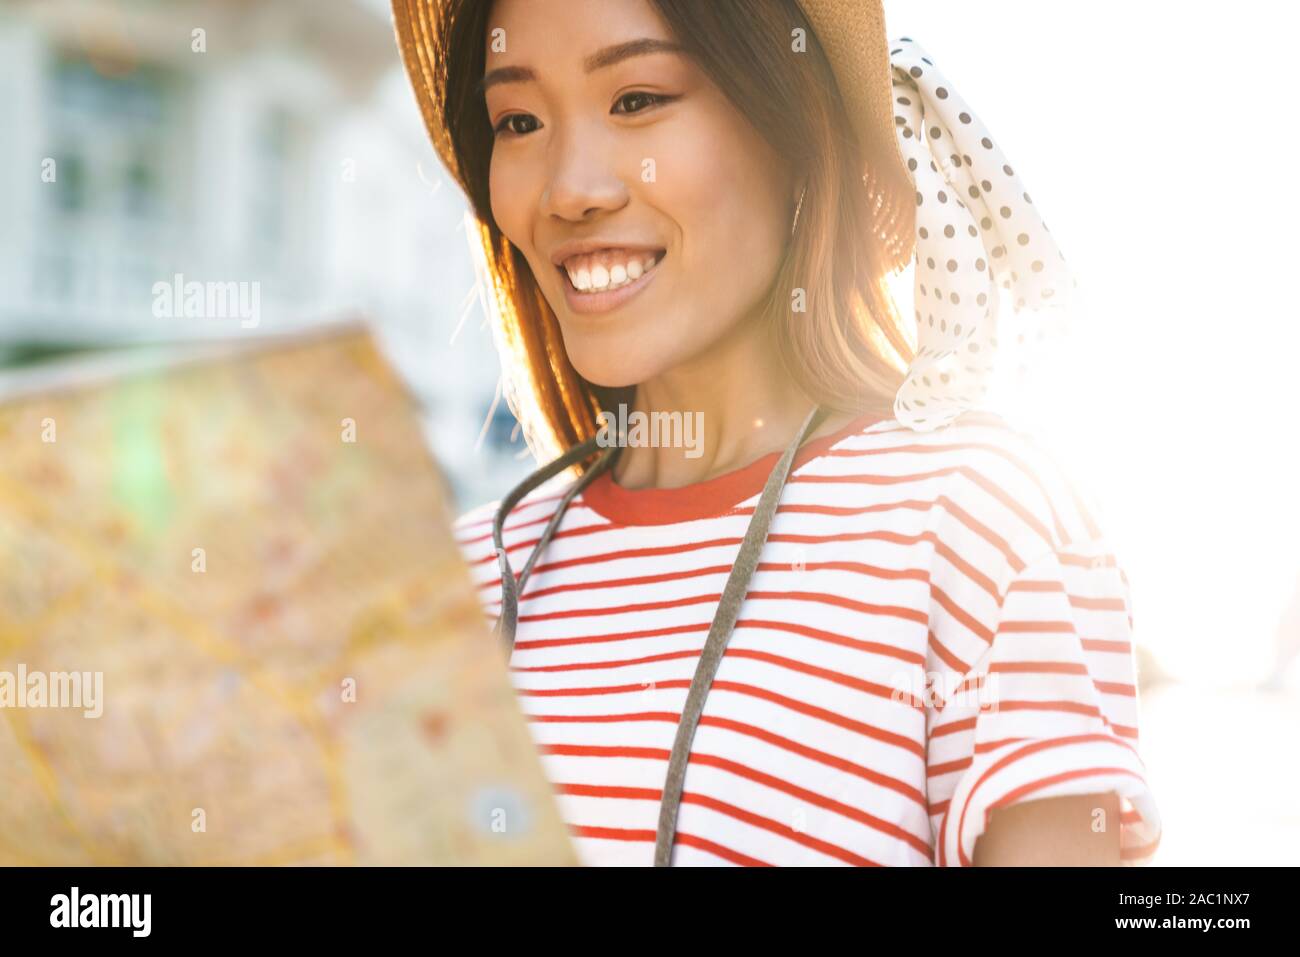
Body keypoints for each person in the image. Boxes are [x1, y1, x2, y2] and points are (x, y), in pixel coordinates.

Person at [392, 0, 1162, 866]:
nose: (571, 188)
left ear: (793, 129)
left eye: (638, 99)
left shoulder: (970, 524)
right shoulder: (448, 593)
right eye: (520, 120)